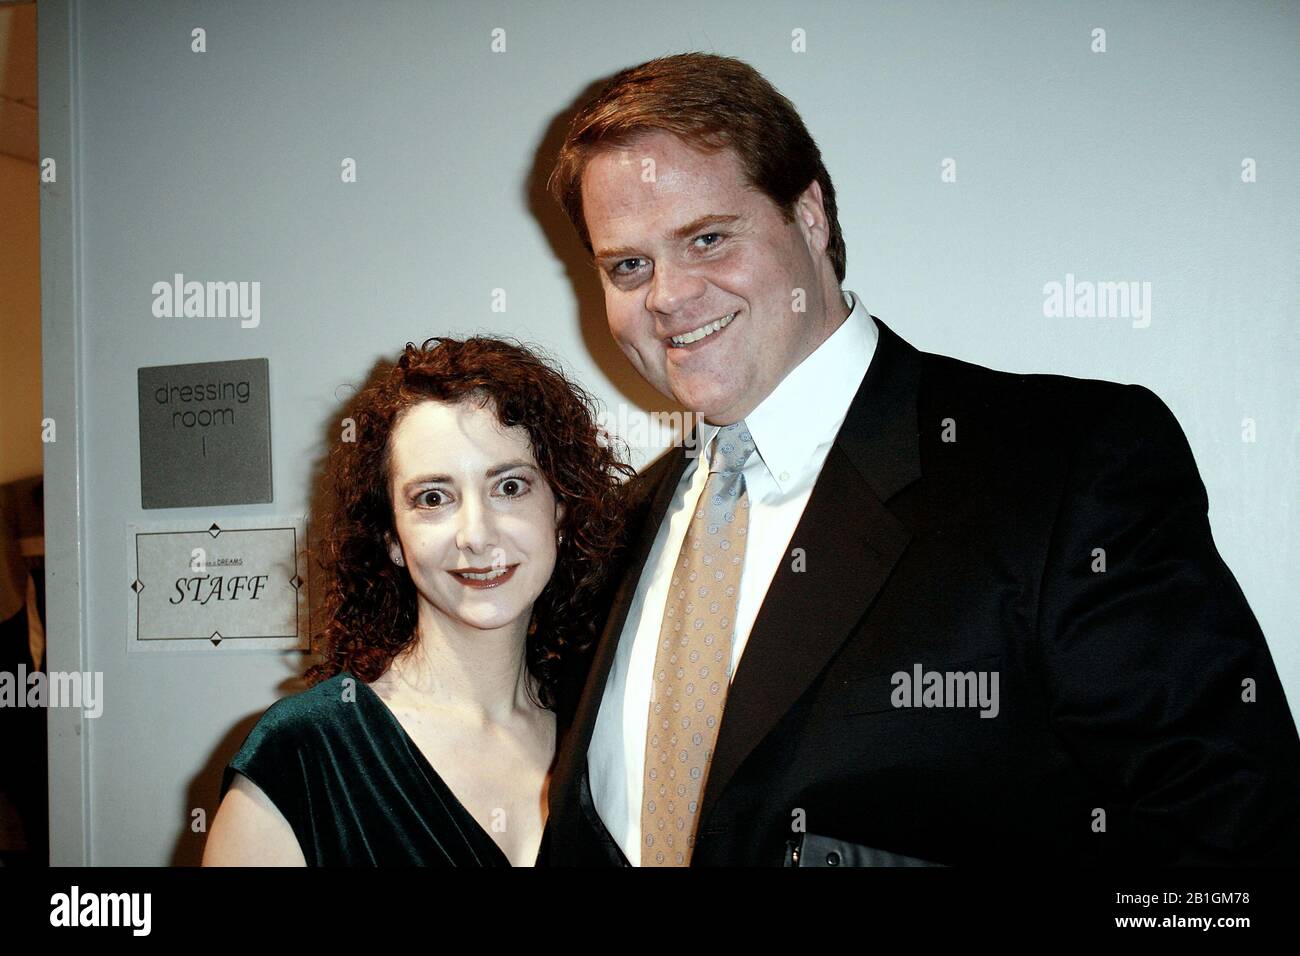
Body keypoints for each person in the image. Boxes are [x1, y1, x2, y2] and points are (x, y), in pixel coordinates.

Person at [542, 52, 1300, 866]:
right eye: (629, 265)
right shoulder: (612, 532)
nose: (665, 295)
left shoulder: (1064, 462)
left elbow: (1234, 846)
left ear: (810, 216)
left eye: (708, 238)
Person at [202, 337, 631, 866]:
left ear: (561, 512)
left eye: (511, 487)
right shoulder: (302, 757)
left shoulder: (605, 730)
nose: (476, 534)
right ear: (392, 541)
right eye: (434, 498)